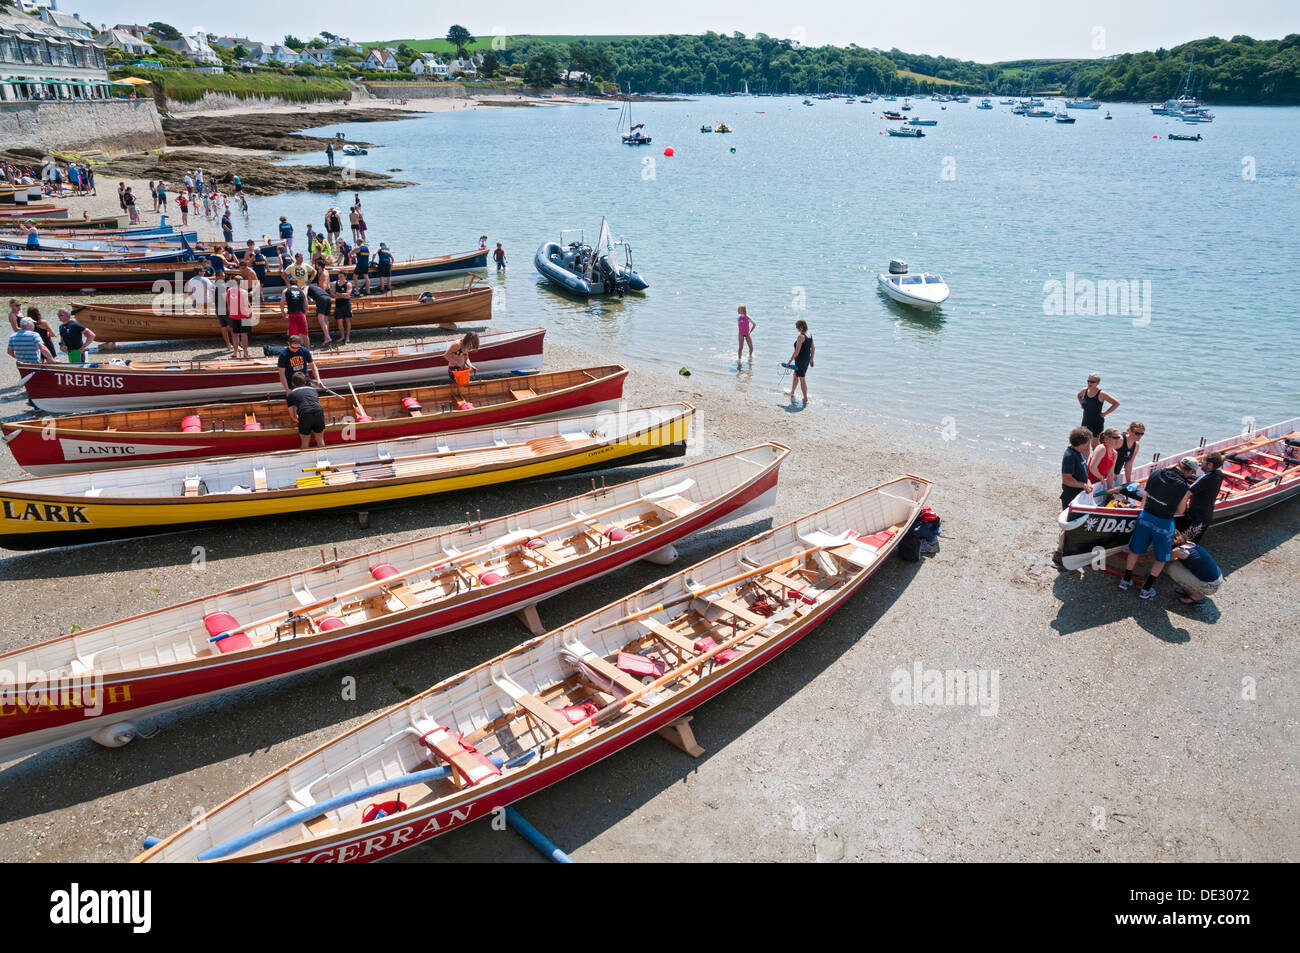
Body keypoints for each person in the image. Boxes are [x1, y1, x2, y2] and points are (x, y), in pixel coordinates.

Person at [1120, 457, 1196, 600]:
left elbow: (1146, 497)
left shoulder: (1156, 473)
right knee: (1161, 558)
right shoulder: (1184, 487)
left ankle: (1125, 581)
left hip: (1145, 518)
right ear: (1190, 471)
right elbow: (1180, 511)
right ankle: (1146, 590)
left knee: (1135, 550)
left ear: (1179, 464)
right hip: (1163, 523)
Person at [1051, 426, 1094, 568]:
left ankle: (1070, 552)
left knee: (1076, 526)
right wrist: (1083, 485)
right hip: (1070, 497)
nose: (1090, 444)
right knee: (1068, 527)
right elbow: (1067, 479)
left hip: (1080, 496)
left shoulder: (1079, 452)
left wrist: (1087, 482)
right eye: (1088, 441)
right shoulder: (1070, 455)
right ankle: (1059, 553)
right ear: (1084, 441)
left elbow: (1084, 471)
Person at [1165, 532, 1223, 606]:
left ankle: (1197, 595)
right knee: (1179, 565)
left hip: (1211, 586)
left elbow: (1162, 560)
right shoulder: (1189, 544)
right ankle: (1190, 590)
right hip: (1217, 579)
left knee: (1171, 567)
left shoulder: (1179, 551)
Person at [1183, 451, 1224, 544]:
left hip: (1196, 517)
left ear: (1210, 465)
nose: (1200, 463)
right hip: (1207, 515)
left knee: (1187, 542)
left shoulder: (1205, 479)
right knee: (1192, 542)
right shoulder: (1219, 474)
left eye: (1203, 461)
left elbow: (1187, 493)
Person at [1077, 373, 1120, 451]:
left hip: (1096, 423)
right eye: (1088, 381)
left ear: (1097, 383)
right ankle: (1086, 463)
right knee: (1084, 445)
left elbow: (1116, 403)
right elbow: (1079, 396)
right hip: (1085, 422)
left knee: (1095, 447)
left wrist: (1105, 413)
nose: (1089, 383)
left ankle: (1097, 462)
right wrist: (1083, 405)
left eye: (1092, 382)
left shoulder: (1101, 394)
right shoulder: (1084, 391)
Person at [286, 372, 327, 449]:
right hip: (319, 411)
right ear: (305, 382)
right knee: (320, 439)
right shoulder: (313, 390)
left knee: (305, 441)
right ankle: (324, 458)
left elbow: (293, 416)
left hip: (305, 413)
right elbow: (314, 403)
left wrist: (302, 421)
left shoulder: (291, 394)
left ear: (292, 383)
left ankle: (306, 458)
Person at [785, 319, 814, 405]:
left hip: (801, 360)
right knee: (795, 375)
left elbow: (796, 352)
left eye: (797, 327)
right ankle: (792, 392)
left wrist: (789, 362)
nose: (796, 329)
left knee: (802, 378)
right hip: (806, 359)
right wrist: (811, 359)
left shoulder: (801, 337)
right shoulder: (809, 335)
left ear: (800, 328)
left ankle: (805, 398)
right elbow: (813, 348)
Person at [1087, 428, 1122, 492]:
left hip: (1099, 483)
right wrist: (1101, 477)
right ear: (1107, 438)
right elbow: (1092, 467)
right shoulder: (1101, 448)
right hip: (1089, 482)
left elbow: (1110, 473)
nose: (1118, 440)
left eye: (1118, 437)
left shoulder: (1115, 453)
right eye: (1115, 438)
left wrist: (1110, 488)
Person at [225, 278, 252, 359]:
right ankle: (245, 352)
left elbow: (228, 302)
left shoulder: (229, 291)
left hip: (233, 315)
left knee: (235, 335)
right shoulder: (243, 292)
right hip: (243, 315)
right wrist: (251, 313)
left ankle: (235, 352)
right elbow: (247, 305)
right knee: (244, 335)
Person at [1113, 421, 1145, 485]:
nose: (1140, 436)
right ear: (1130, 431)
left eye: (1142, 434)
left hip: (1116, 474)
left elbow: (1129, 465)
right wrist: (1111, 473)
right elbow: (1107, 456)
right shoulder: (1120, 440)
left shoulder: (1136, 446)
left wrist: (1128, 481)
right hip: (1105, 472)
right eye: (1137, 433)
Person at [282, 282, 312, 347]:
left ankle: (293, 351)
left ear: (290, 284)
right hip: (301, 314)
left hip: (292, 314)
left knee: (293, 336)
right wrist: (304, 314)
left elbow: (282, 303)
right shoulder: (302, 292)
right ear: (297, 284)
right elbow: (306, 306)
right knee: (305, 334)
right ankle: (308, 352)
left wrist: (283, 313)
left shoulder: (286, 290)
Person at [332, 269, 354, 345]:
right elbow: (333, 295)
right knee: (339, 322)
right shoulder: (335, 283)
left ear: (345, 277)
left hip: (346, 305)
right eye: (339, 276)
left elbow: (347, 295)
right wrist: (342, 295)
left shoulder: (348, 284)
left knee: (347, 320)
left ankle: (347, 337)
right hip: (338, 305)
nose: (340, 277)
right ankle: (342, 336)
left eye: (341, 276)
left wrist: (339, 294)